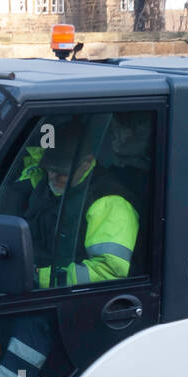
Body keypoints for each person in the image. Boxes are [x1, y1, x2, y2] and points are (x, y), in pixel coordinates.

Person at [21, 119, 140, 288]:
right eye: (51, 168)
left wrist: (40, 277)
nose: (54, 176)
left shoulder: (109, 203)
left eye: (62, 171)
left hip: (72, 298)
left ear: (86, 164)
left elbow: (109, 271)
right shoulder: (42, 183)